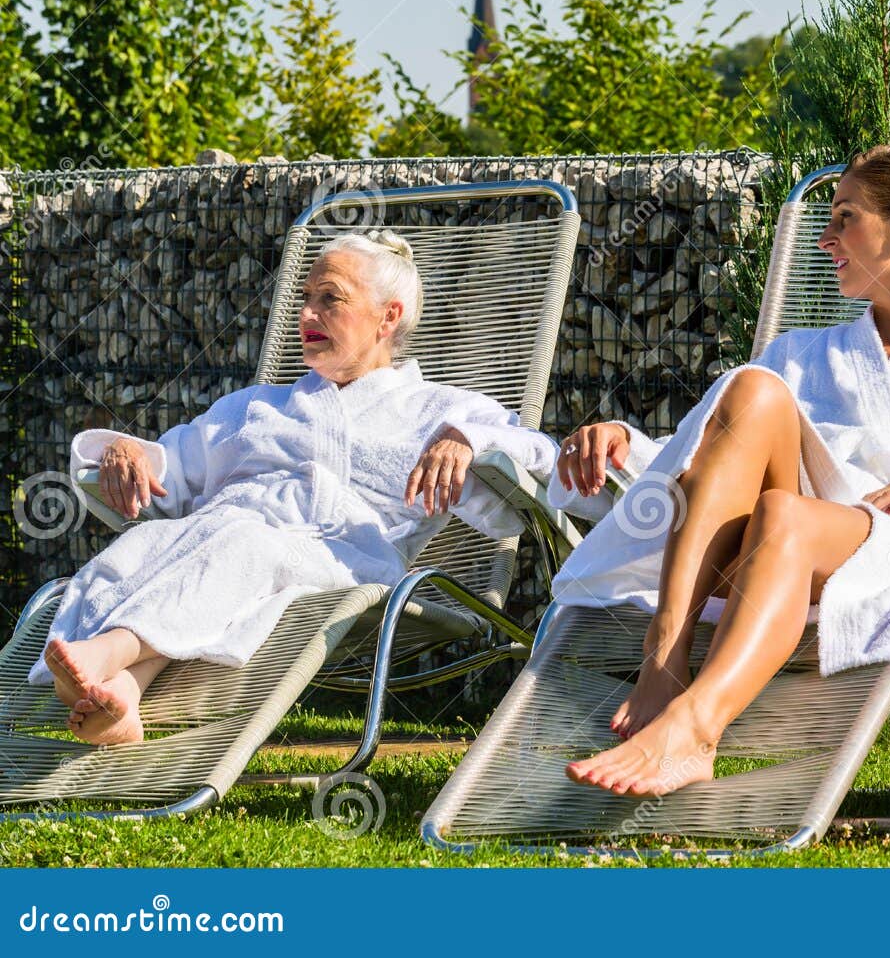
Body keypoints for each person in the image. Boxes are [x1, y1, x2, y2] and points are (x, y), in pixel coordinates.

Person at [547, 144, 890, 798]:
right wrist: (626, 445)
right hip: (754, 548)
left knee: (784, 511)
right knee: (754, 391)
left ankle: (697, 727)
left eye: (845, 217)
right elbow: (707, 458)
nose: (825, 238)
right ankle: (665, 657)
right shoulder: (800, 353)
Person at [33, 229, 559, 745]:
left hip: (347, 560)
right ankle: (124, 691)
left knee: (244, 547)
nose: (307, 315)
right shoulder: (257, 404)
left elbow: (541, 458)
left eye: (330, 299)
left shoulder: (441, 411)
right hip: (229, 542)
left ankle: (110, 649)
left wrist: (469, 439)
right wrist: (127, 451)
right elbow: (172, 467)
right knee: (147, 544)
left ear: (388, 316)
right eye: (306, 299)